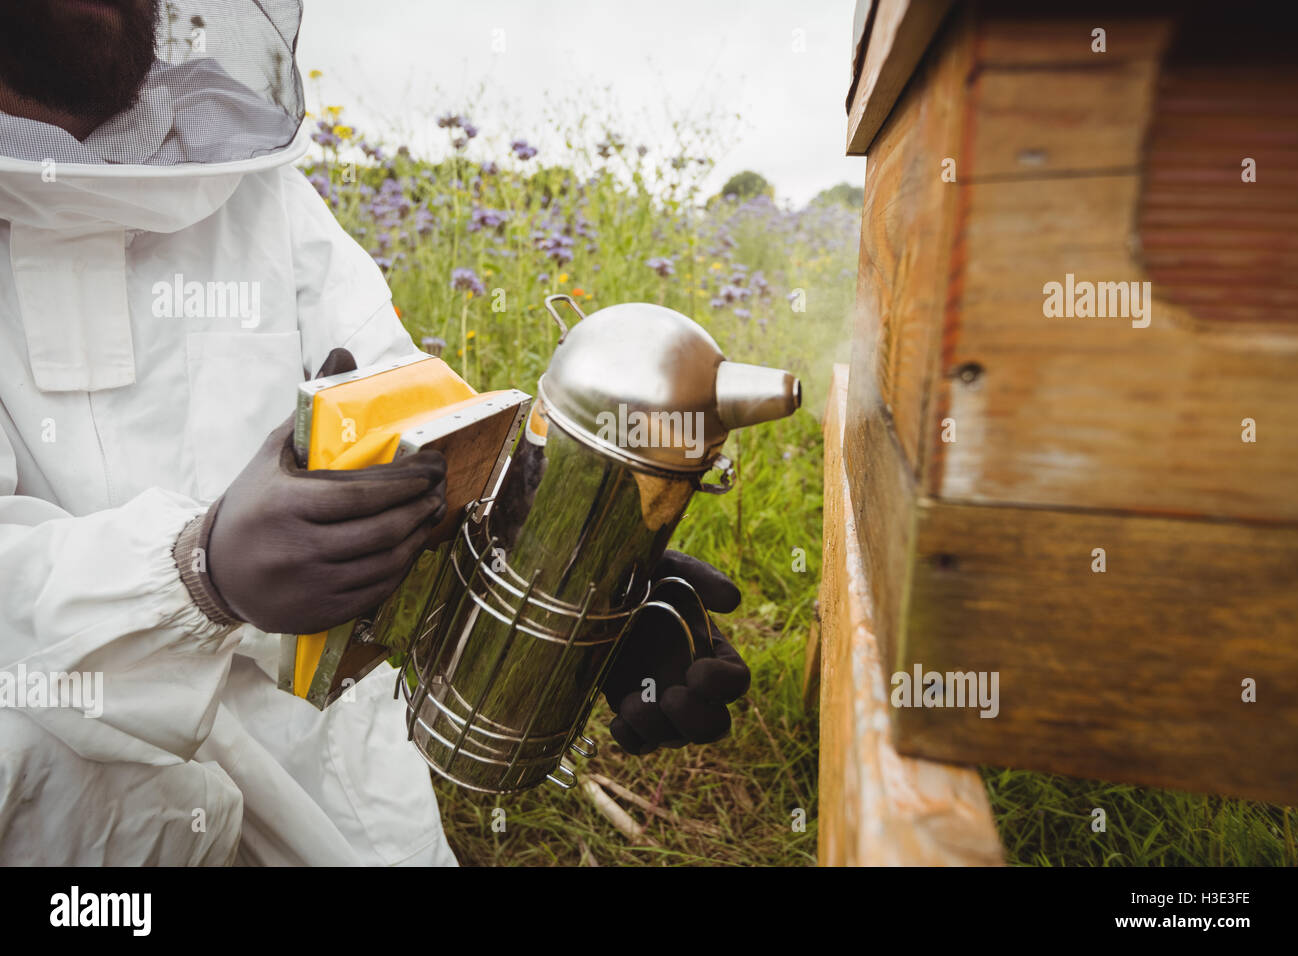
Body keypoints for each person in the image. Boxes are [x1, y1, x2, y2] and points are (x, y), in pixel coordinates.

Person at [0, 0, 750, 865]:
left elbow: (424, 452)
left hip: (326, 772)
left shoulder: (258, 191)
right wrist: (194, 572)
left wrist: (572, 587)